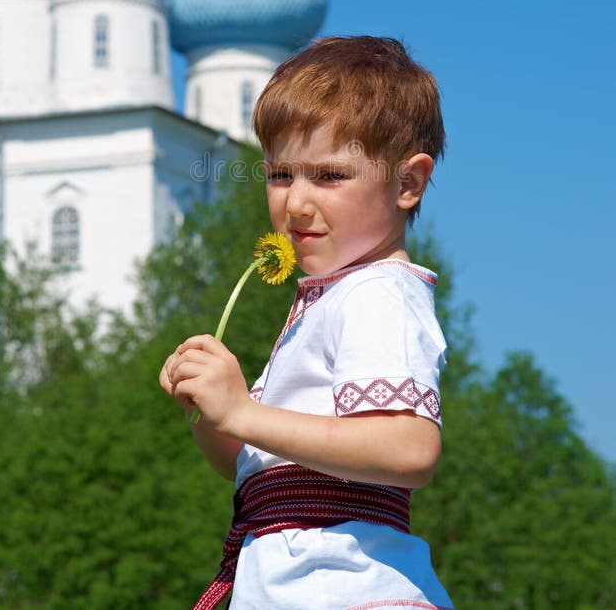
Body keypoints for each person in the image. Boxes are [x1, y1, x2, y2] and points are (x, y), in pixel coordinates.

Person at [160, 35, 454, 610]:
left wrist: (245, 412)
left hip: (344, 587)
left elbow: (409, 447)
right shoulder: (327, 302)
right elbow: (257, 474)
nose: (294, 203)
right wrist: (213, 414)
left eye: (328, 176)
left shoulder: (377, 293)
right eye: (279, 175)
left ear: (407, 183)